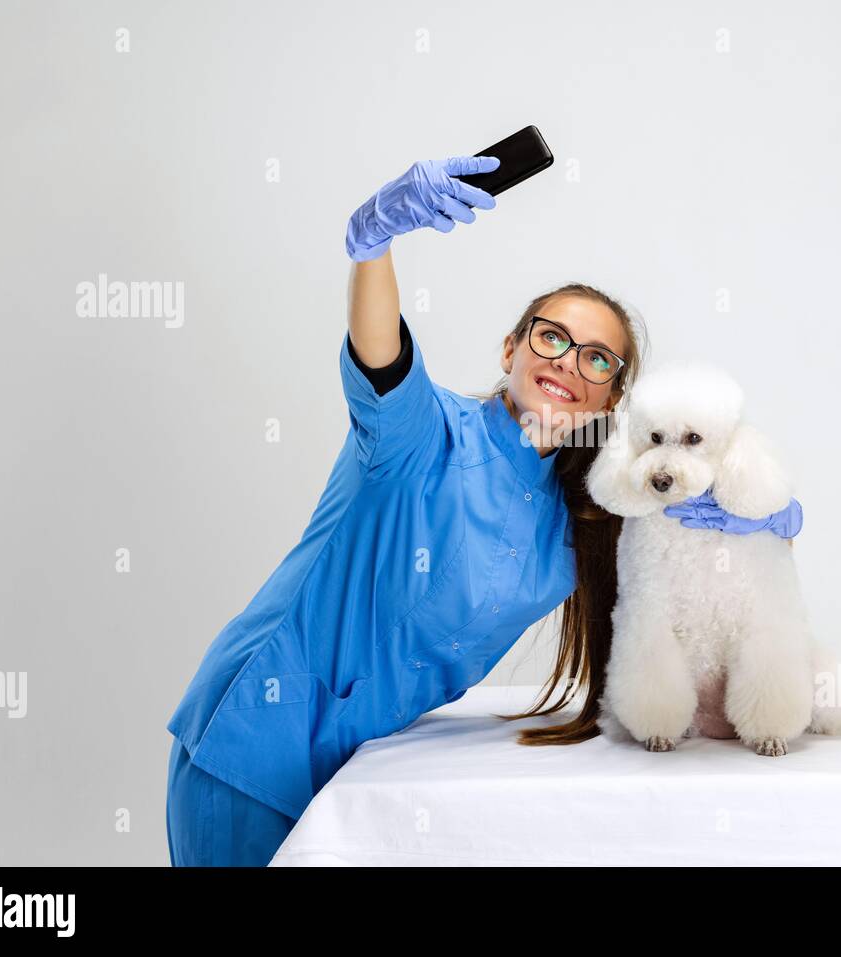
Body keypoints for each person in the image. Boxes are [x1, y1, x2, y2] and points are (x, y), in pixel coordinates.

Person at [164, 155, 648, 866]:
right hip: (254, 749)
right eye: (552, 337)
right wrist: (374, 244)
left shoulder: (577, 520)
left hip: (371, 779)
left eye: (598, 359)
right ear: (512, 347)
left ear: (610, 398)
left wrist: (754, 516)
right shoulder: (421, 433)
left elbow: (679, 565)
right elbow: (383, 357)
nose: (570, 362)